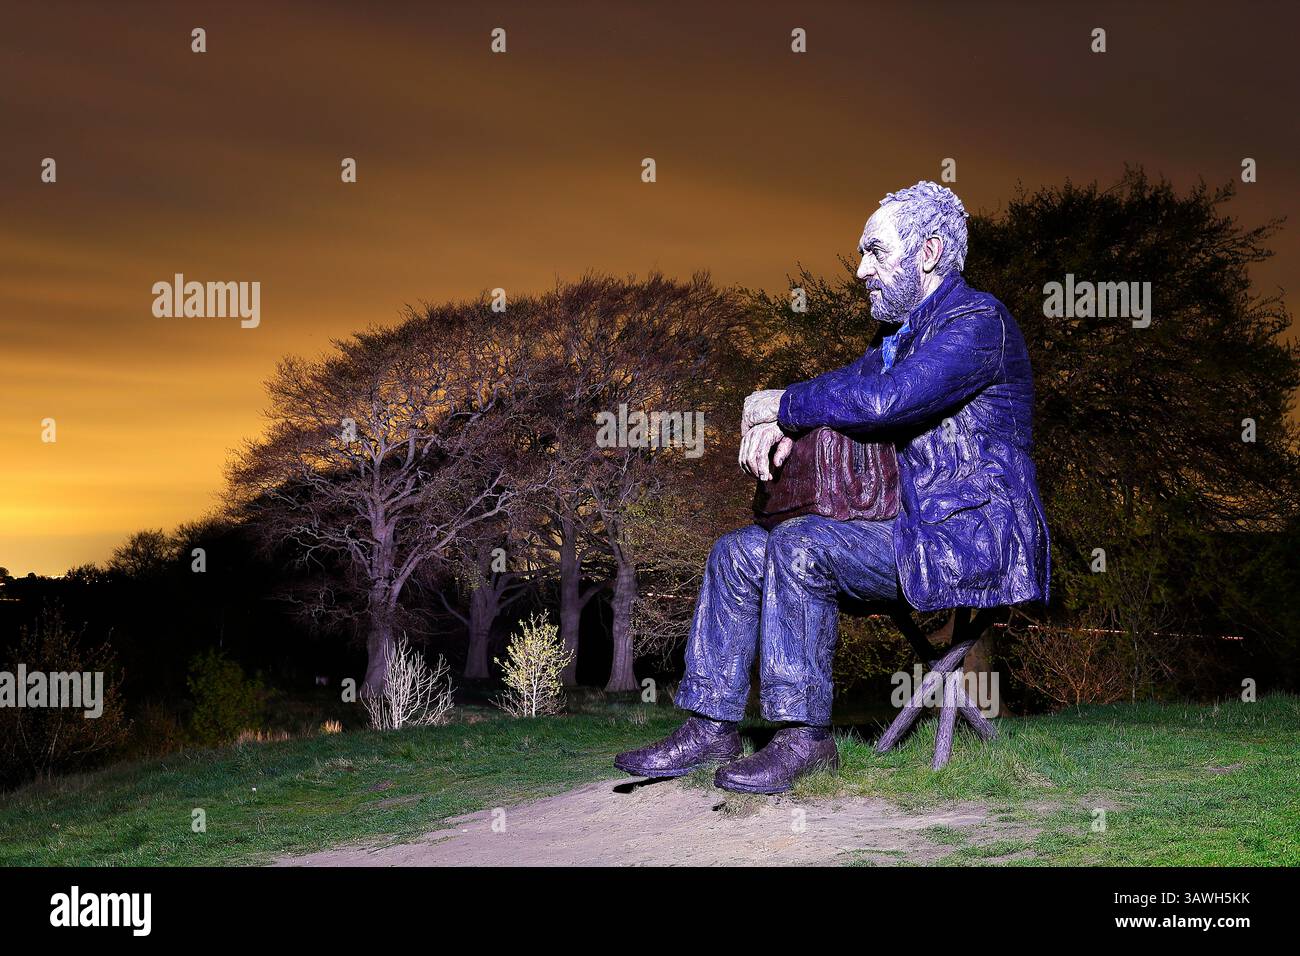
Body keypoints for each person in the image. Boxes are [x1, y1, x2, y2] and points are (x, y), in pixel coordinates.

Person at [615, 181, 1051, 794]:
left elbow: (883, 401)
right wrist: (778, 420)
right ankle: (710, 726)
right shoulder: (898, 340)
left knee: (801, 544)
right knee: (736, 554)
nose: (863, 270)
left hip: (970, 538)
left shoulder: (978, 323)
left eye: (876, 251)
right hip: (908, 529)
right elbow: (846, 388)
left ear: (927, 254)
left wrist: (778, 404)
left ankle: (804, 740)